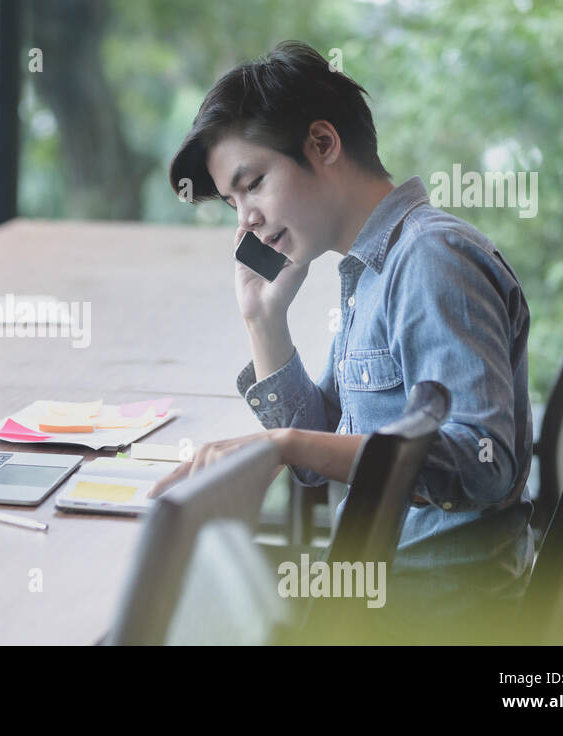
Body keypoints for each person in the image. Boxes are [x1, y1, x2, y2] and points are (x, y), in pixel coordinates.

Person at [152, 40, 535, 644]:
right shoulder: (371, 269)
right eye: (232, 202)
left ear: (323, 144)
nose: (244, 220)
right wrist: (262, 321)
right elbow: (327, 443)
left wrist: (284, 443)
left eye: (252, 185)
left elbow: (483, 463)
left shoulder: (431, 258)